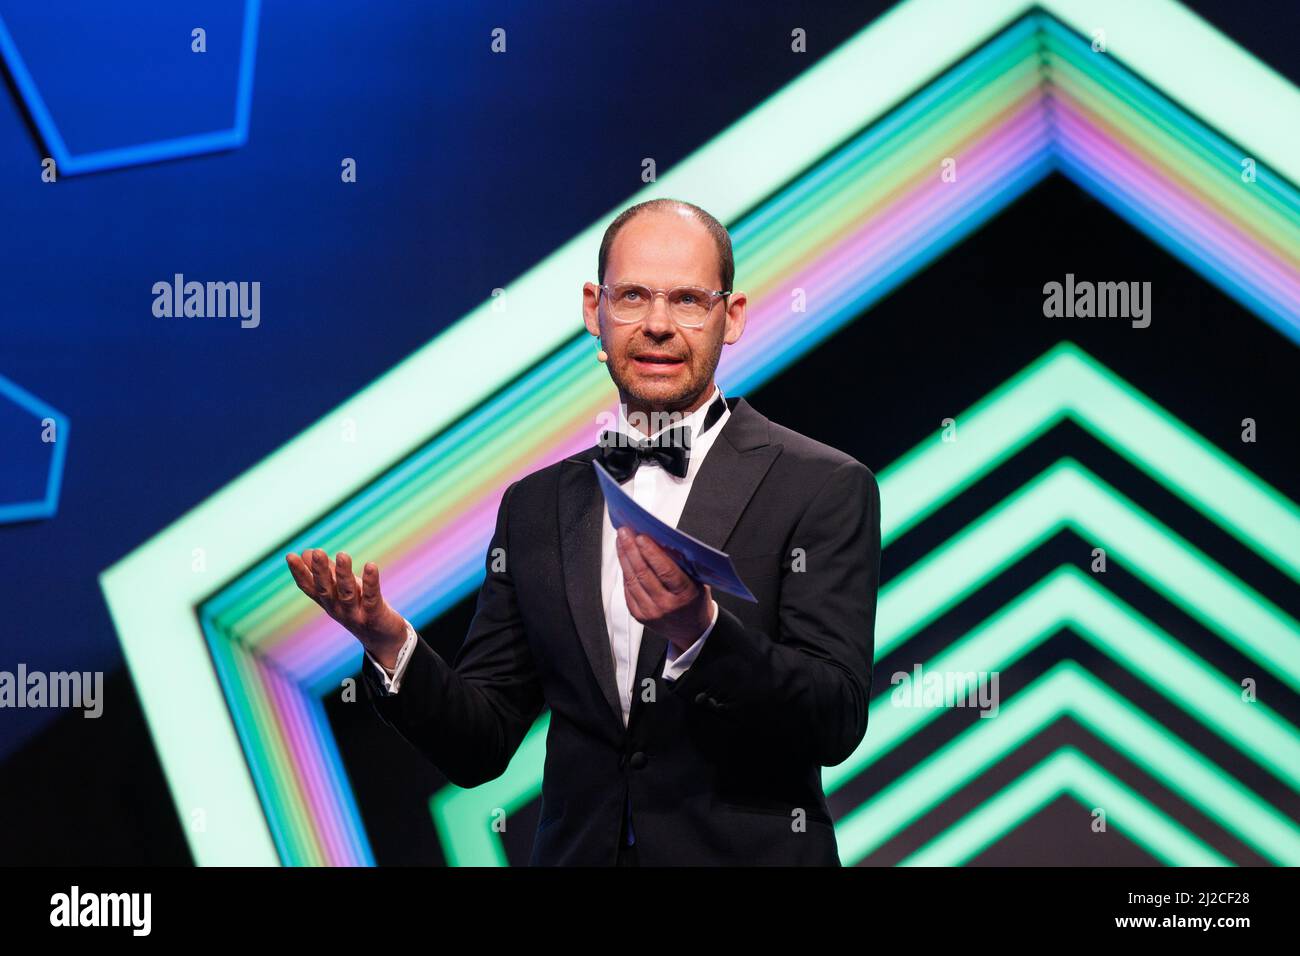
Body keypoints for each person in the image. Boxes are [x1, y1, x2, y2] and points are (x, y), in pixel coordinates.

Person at [286, 198, 881, 865]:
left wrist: (702, 634)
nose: (658, 325)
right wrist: (391, 645)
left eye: (687, 300)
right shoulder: (535, 508)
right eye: (633, 297)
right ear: (593, 309)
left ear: (730, 316)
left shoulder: (821, 485)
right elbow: (481, 742)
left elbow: (834, 719)